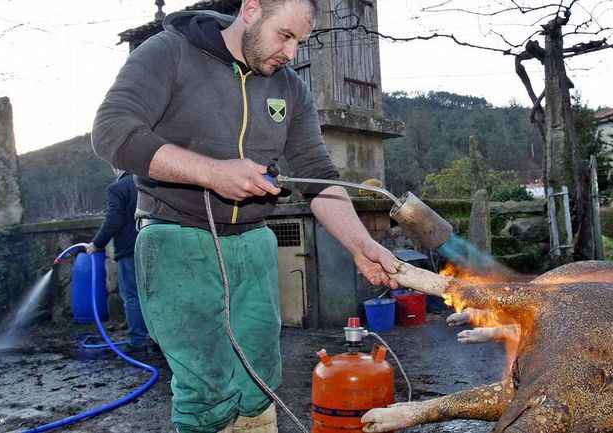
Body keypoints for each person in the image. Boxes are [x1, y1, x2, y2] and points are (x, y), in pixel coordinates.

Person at [91, 1, 399, 432]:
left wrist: (361, 244)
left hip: (254, 242)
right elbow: (112, 130)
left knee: (258, 380)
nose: (292, 53)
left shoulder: (290, 87)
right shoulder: (169, 51)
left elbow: (316, 175)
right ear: (252, 10)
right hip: (178, 240)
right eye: (285, 36)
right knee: (205, 388)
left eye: (300, 42)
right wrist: (212, 172)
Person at [86, 170, 149, 354]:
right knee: (153, 296)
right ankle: (159, 342)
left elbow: (113, 220)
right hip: (155, 246)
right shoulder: (150, 182)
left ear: (117, 167)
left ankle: (137, 342)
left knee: (132, 297)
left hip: (130, 249)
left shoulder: (118, 188)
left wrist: (97, 244)